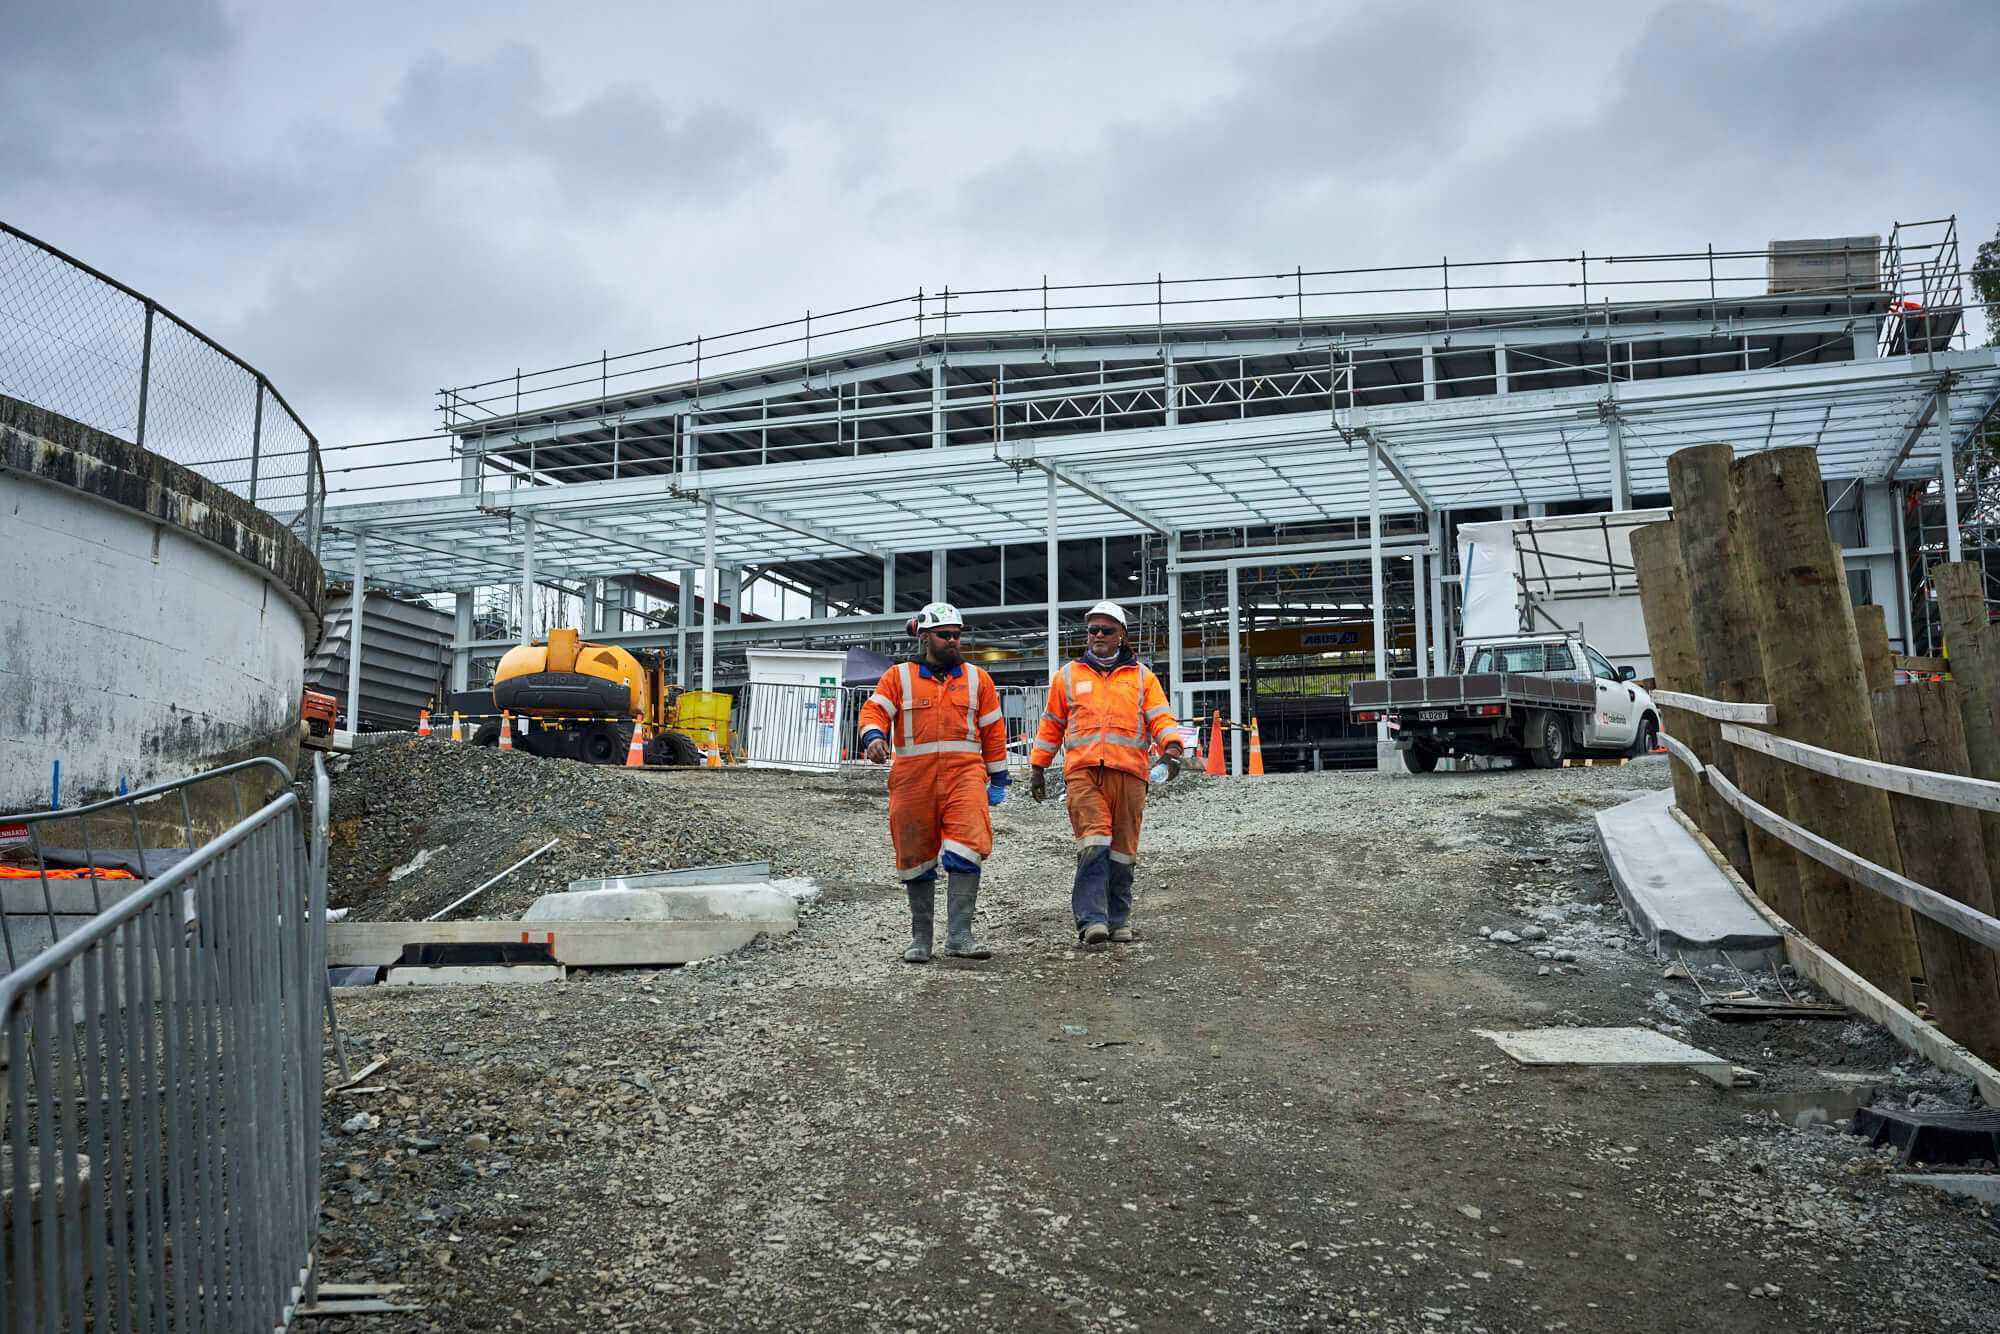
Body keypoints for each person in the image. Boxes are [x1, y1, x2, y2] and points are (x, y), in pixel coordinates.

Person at [857, 602, 1011, 963]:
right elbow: (873, 711)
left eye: (957, 635)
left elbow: (993, 730)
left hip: (965, 775)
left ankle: (959, 935)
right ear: (925, 637)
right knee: (916, 856)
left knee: (968, 847)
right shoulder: (898, 677)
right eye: (945, 635)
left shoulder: (978, 679)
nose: (953, 641)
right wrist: (874, 737)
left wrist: (1000, 776)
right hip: (913, 779)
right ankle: (921, 939)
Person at [1030, 601, 1182, 946]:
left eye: (1106, 630)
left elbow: (1160, 717)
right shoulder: (1068, 676)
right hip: (1084, 773)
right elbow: (1051, 724)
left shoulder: (1142, 678)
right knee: (1094, 844)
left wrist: (1171, 747)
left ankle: (1119, 919)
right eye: (1093, 630)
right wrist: (1038, 766)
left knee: (1122, 852)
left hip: (1129, 774)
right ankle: (1092, 920)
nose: (1098, 636)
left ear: (1121, 635)